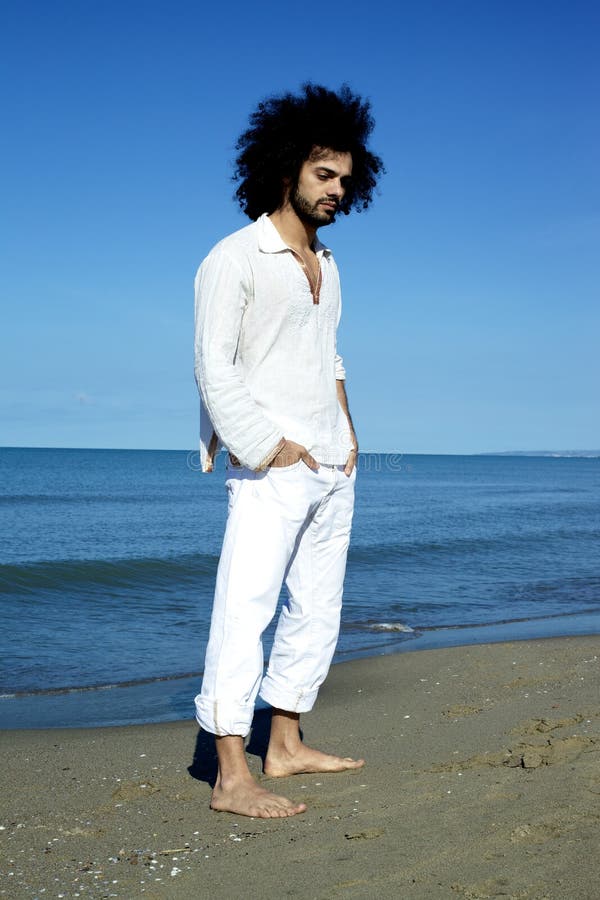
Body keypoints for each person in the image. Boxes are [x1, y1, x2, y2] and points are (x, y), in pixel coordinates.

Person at [193, 83, 383, 818]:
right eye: (324, 174)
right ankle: (230, 774)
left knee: (317, 608)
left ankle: (286, 744)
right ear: (286, 169)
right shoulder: (234, 258)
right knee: (244, 610)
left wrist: (347, 428)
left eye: (346, 177)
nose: (339, 189)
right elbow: (213, 367)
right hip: (273, 462)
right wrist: (270, 448)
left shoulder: (329, 265)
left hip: (334, 460)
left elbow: (327, 353)